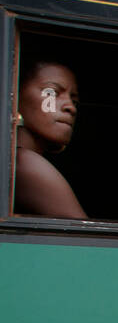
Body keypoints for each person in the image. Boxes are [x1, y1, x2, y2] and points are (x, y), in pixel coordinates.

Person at [13, 59, 86, 218]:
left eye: (74, 101)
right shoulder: (24, 162)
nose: (71, 107)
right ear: (15, 97)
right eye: (51, 92)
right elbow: (88, 242)